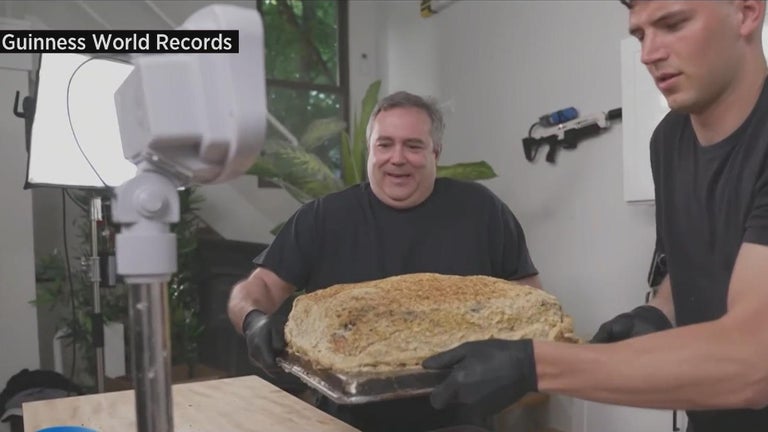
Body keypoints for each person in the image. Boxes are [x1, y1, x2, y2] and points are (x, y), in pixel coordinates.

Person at [421, 1, 768, 431]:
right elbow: (702, 260)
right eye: (640, 34)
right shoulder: (668, 141)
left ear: (748, 12)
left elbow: (754, 362)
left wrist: (536, 366)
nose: (648, 53)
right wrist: (658, 313)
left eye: (673, 24)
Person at [227, 90, 541, 432]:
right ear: (370, 151)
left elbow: (529, 298)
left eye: (413, 146)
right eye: (385, 144)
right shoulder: (322, 218)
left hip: (459, 418)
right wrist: (253, 321)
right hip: (345, 419)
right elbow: (258, 287)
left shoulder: (482, 212)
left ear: (436, 152)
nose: (397, 158)